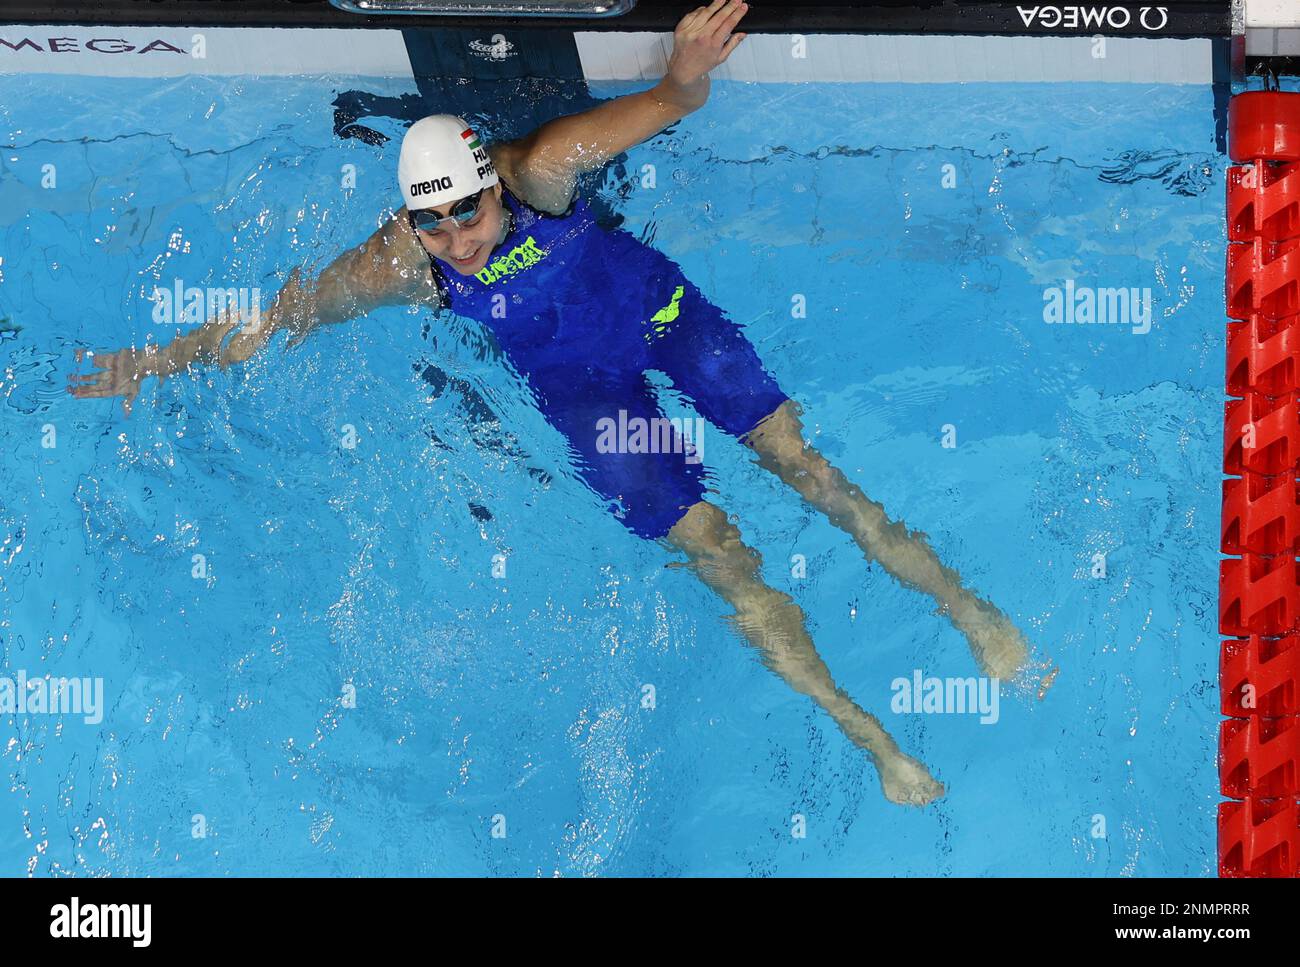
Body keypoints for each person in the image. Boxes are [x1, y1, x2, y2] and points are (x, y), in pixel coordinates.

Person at [69, 0, 1040, 806]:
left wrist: (688, 64)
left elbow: (669, 100)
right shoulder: (400, 266)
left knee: (808, 469)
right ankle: (871, 739)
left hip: (667, 321)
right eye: (432, 221)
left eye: (466, 210)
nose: (455, 237)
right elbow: (282, 317)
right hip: (589, 397)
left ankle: (969, 611)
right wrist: (152, 362)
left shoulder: (541, 171)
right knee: (720, 557)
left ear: (493, 182)